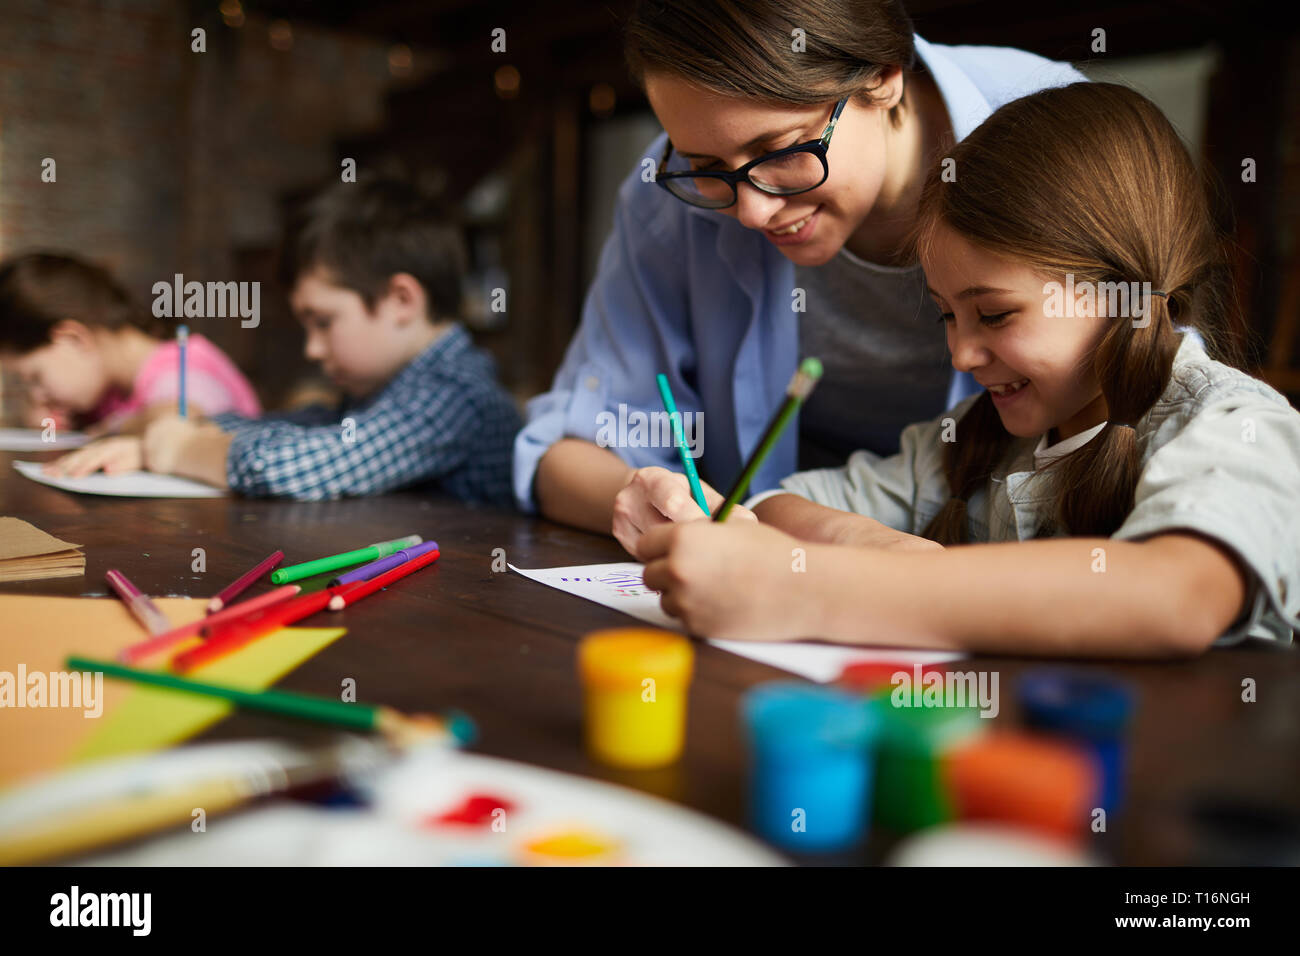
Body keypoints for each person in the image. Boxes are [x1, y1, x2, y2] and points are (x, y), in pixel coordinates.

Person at [638, 82, 1300, 657]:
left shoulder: (1236, 427)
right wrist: (878, 548)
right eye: (947, 316)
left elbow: (1176, 596)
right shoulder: (969, 440)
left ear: (1115, 294)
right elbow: (784, 503)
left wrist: (807, 591)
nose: (960, 355)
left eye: (996, 314)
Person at [515, 0, 1085, 553]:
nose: (752, 214)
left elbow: (1155, 402)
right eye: (706, 168)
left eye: (779, 149)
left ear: (885, 77)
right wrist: (682, 510)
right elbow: (562, 453)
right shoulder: (670, 200)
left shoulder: (1062, 131)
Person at [138, 176, 521, 504]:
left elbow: (298, 465)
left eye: (323, 322)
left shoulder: (453, 397)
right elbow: (304, 428)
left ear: (402, 300)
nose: (312, 349)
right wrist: (199, 426)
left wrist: (181, 449)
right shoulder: (390, 384)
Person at [0, 252, 259, 475]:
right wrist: (51, 424)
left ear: (73, 339)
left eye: (35, 377)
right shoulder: (107, 391)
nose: (38, 394)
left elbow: (180, 417)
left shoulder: (185, 364)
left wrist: (105, 429)